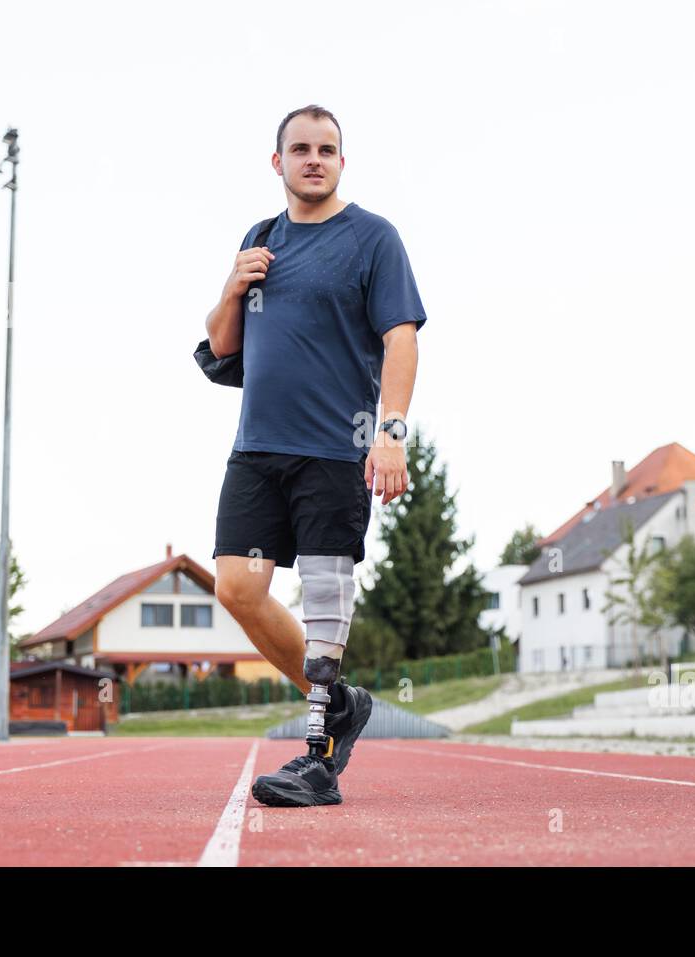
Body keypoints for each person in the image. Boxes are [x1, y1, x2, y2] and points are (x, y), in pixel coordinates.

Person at [204, 104, 427, 807]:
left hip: (336, 447)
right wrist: (232, 286)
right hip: (257, 447)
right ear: (278, 162)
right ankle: (343, 701)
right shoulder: (260, 238)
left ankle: (319, 761)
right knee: (237, 587)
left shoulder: (372, 239)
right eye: (300, 148)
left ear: (340, 161)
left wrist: (391, 432)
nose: (313, 159)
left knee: (326, 593)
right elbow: (220, 346)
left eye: (327, 149)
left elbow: (401, 337)